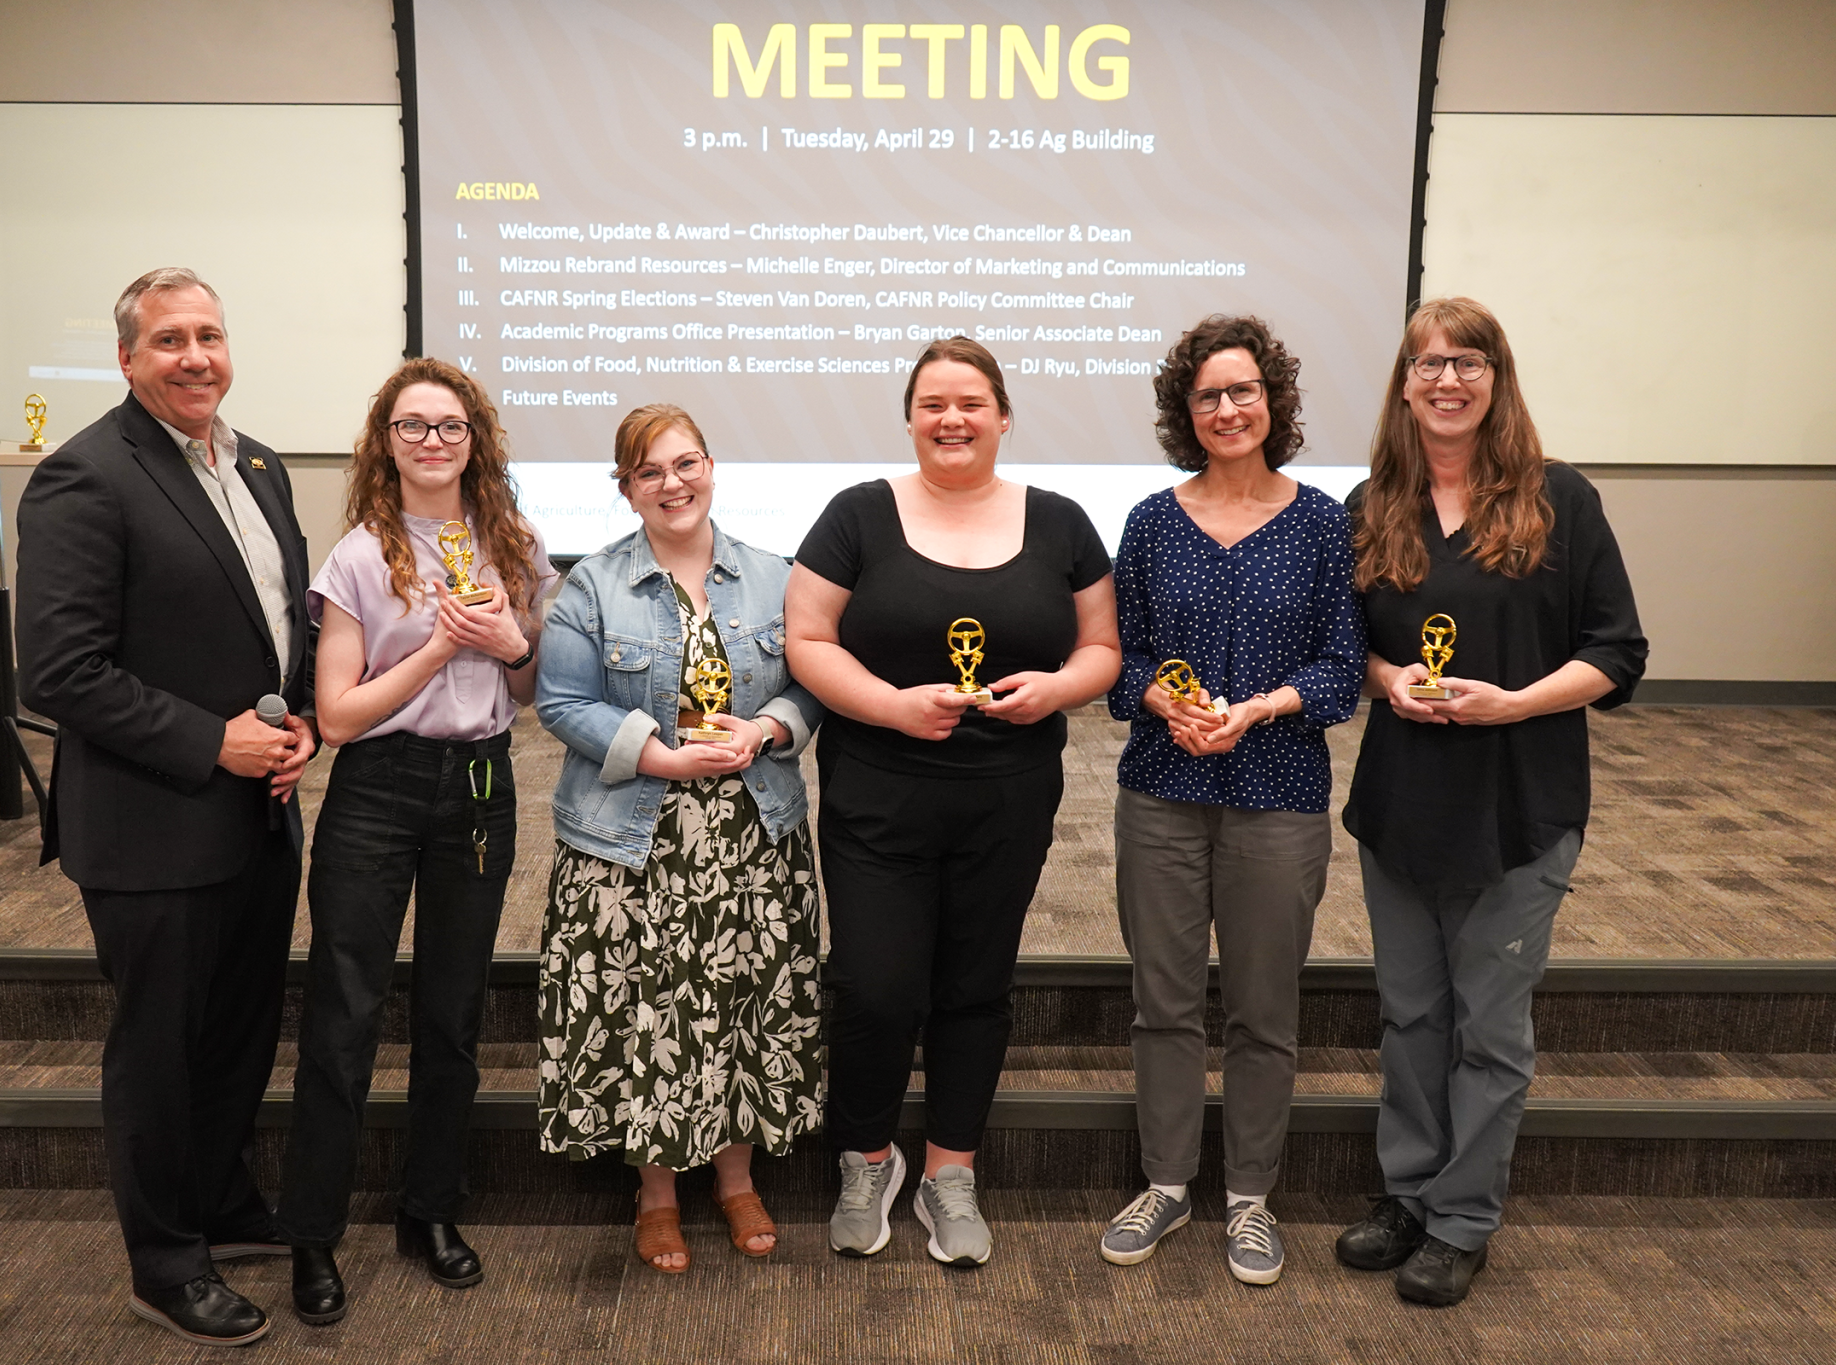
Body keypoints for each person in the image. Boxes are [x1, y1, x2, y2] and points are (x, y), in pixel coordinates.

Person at [17, 267, 317, 1347]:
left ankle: (220, 1202)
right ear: (128, 358)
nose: (196, 356)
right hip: (150, 823)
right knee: (158, 1045)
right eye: (170, 340)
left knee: (236, 1030)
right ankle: (163, 1261)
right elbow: (55, 670)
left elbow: (286, 618)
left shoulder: (259, 463)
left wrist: (304, 720)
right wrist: (211, 741)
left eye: (211, 335)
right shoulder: (85, 477)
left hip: (255, 812)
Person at [1333, 298, 1647, 1306]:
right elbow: (1352, 653)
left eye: (1465, 362)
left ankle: (1462, 1219)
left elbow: (1615, 652)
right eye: (1426, 365)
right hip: (1401, 803)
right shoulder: (1370, 502)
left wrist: (1512, 703)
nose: (1445, 381)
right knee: (1409, 1016)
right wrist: (1389, 682)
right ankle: (1409, 1196)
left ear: (1494, 377)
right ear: (1403, 384)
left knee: (1489, 1030)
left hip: (1520, 805)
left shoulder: (1560, 499)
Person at [785, 337, 1121, 1267]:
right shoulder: (858, 514)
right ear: (910, 417)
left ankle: (949, 1171)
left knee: (975, 987)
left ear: (1004, 415)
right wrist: (892, 706)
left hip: (1008, 794)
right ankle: (866, 1158)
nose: (952, 419)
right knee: (874, 987)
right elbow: (807, 637)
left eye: (971, 402)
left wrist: (1058, 689)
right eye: (933, 403)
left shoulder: (1059, 521)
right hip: (878, 792)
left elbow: (1102, 646)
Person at [274, 358, 553, 1324]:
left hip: (480, 783)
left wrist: (510, 643)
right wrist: (440, 644)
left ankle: (429, 1209)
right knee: (344, 1015)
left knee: (452, 1015)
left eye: (449, 426)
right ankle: (311, 1232)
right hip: (379, 790)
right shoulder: (358, 554)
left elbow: (529, 692)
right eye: (412, 426)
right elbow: (340, 716)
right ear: (384, 441)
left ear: (474, 440)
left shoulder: (512, 543)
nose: (431, 441)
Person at [1099, 316, 1365, 1283]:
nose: (1226, 408)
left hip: (1278, 793)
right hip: (1161, 792)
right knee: (1162, 1002)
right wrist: (1159, 698)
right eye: (1207, 394)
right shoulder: (1150, 521)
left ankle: (1250, 1197)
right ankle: (1167, 1183)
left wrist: (1260, 708)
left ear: (1274, 401)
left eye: (1242, 390)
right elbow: (1117, 663)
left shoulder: (1326, 522)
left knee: (1263, 1008)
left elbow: (1344, 669)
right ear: (1186, 410)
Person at [534, 404, 824, 1275]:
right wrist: (655, 756)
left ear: (711, 467)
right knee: (650, 1007)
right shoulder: (590, 584)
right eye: (650, 472)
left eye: (686, 463)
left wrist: (765, 730)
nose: (673, 484)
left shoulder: (776, 576)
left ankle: (737, 1180)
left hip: (751, 828)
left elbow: (814, 686)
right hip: (633, 833)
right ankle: (655, 1190)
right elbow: (561, 700)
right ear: (625, 489)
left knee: (740, 993)